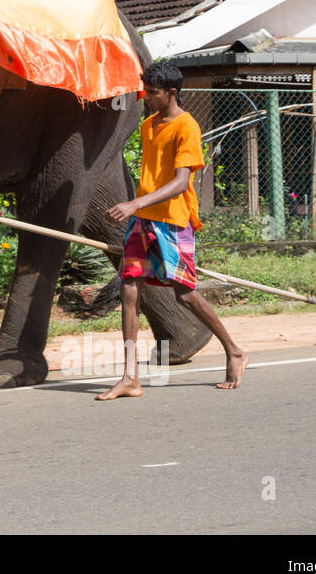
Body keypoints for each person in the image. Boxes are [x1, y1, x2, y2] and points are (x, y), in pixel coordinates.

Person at [98, 62, 248, 399]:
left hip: (172, 221)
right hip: (143, 220)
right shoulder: (149, 125)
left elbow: (181, 182)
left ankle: (233, 350)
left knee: (184, 295)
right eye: (145, 91)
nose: (147, 98)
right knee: (129, 290)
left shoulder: (187, 127)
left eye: (153, 93)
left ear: (172, 93)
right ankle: (130, 377)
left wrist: (134, 204)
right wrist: (137, 208)